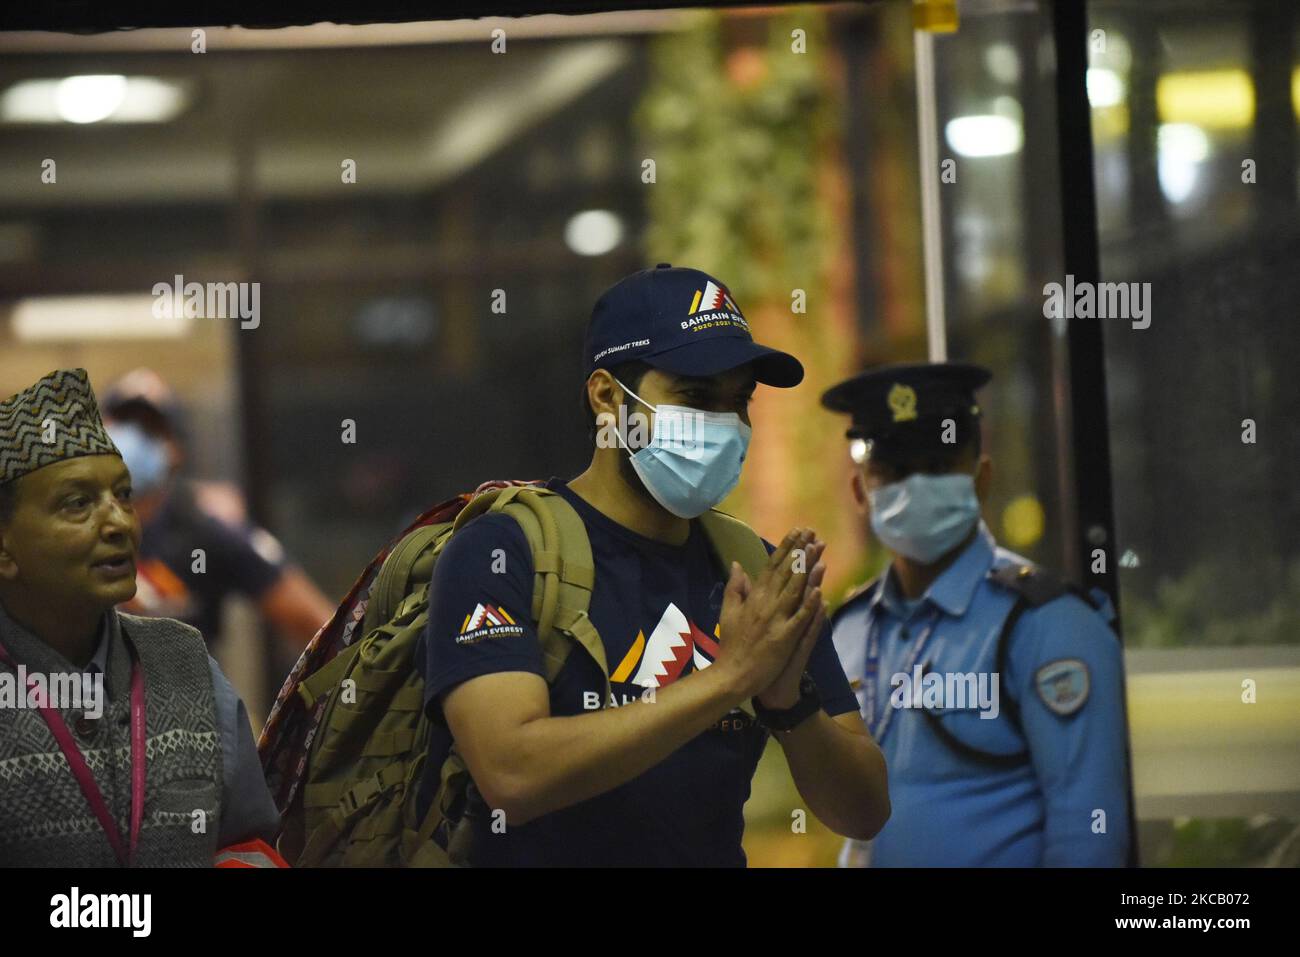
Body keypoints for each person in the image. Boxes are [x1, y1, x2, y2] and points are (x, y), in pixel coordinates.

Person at [416, 264, 890, 866]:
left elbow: (865, 809)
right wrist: (729, 679)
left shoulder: (752, 569)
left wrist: (787, 701)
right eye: (695, 397)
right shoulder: (503, 552)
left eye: (738, 401)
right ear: (609, 397)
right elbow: (512, 774)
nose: (725, 424)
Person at [821, 361, 1131, 867]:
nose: (916, 485)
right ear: (860, 492)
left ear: (981, 477)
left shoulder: (1048, 626)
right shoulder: (850, 629)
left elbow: (1088, 833)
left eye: (938, 467)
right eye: (895, 471)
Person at [0, 368, 280, 866]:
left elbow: (245, 844)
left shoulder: (186, 664)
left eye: (123, 495)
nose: (118, 522)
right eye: (77, 503)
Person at [100, 368, 333, 650]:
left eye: (151, 428)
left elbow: (318, 625)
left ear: (175, 450)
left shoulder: (205, 530)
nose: (134, 440)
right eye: (123, 424)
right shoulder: (68, 527)